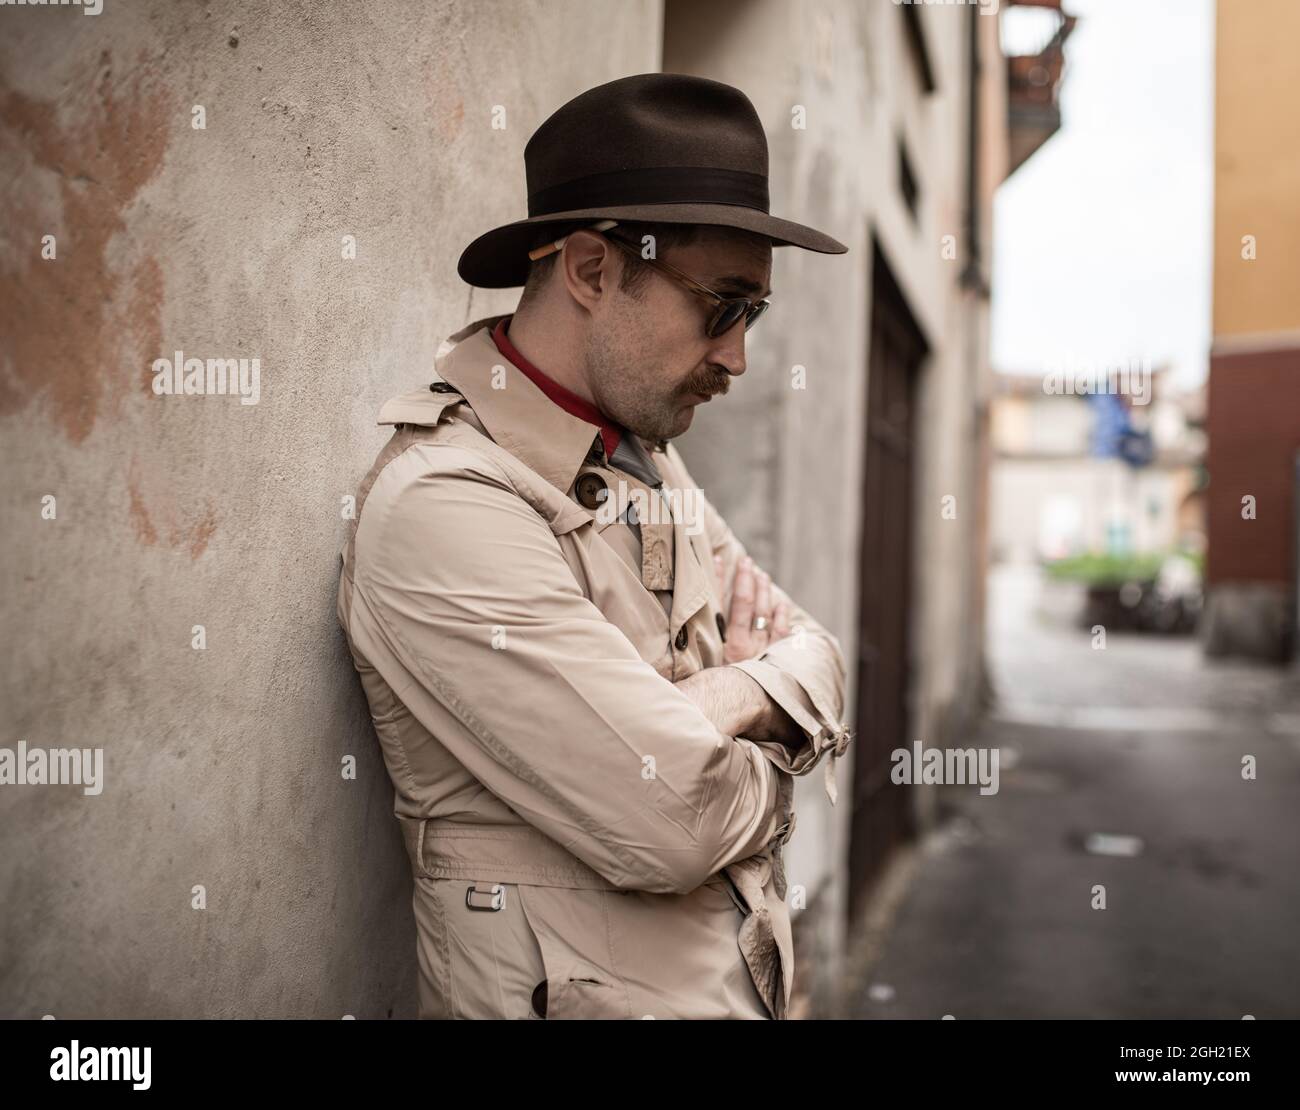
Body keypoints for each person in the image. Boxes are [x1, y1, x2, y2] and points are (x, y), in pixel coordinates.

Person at [337, 72, 853, 1019]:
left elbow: (817, 649)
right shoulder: (446, 505)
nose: (738, 356)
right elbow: (676, 820)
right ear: (589, 269)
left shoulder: (644, 462)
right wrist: (772, 719)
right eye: (722, 306)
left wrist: (722, 699)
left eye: (756, 315)